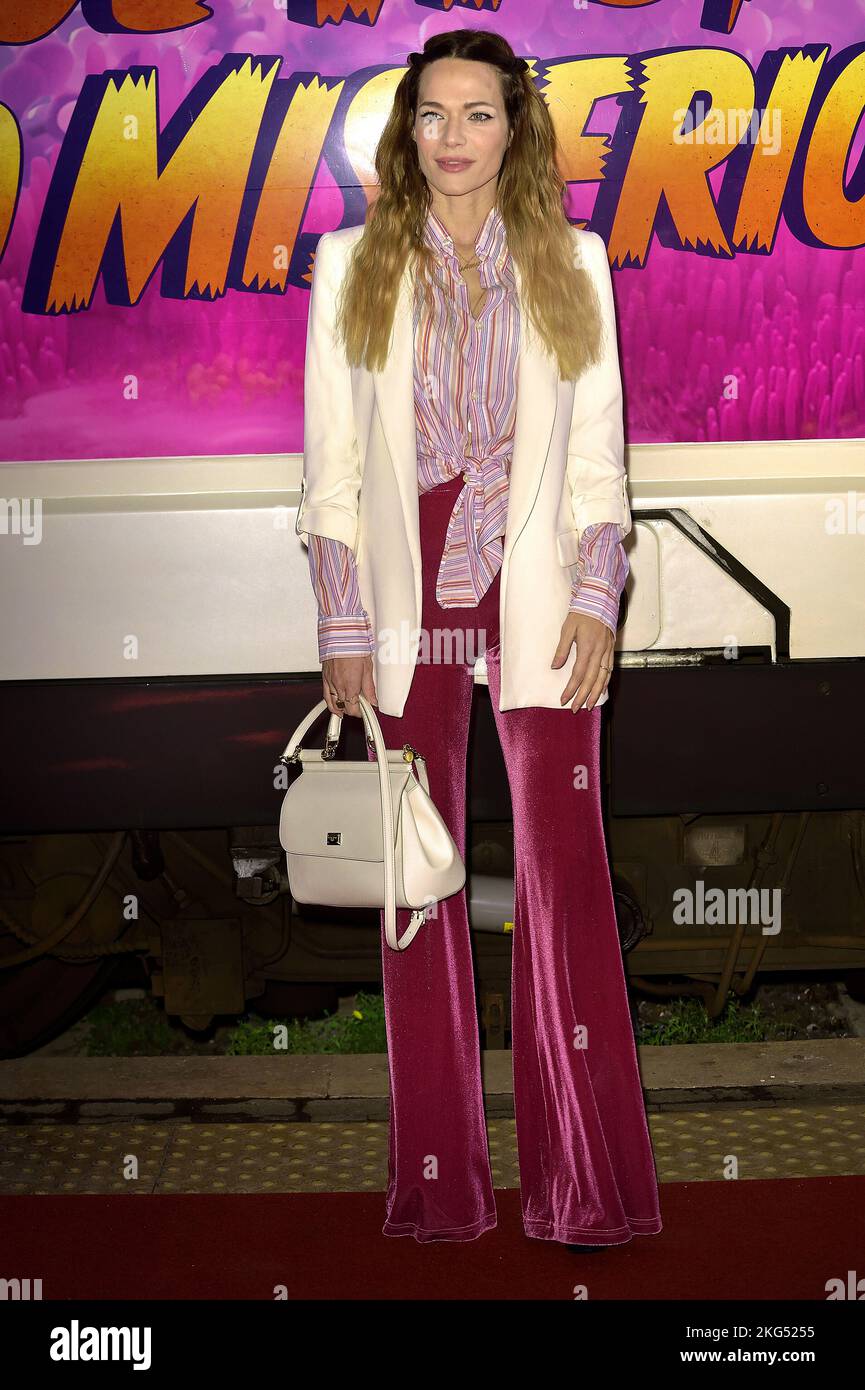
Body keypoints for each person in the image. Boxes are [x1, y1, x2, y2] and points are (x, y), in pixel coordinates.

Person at [296, 27, 662, 1249]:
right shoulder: (352, 264)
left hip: (540, 592)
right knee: (416, 892)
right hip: (408, 610)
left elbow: (602, 463)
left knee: (563, 886)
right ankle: (443, 1189)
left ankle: (583, 1188)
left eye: (479, 115)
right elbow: (333, 474)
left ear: (517, 130)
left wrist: (596, 599)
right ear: (407, 131)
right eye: (433, 115)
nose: (453, 138)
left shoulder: (573, 262)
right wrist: (344, 628)